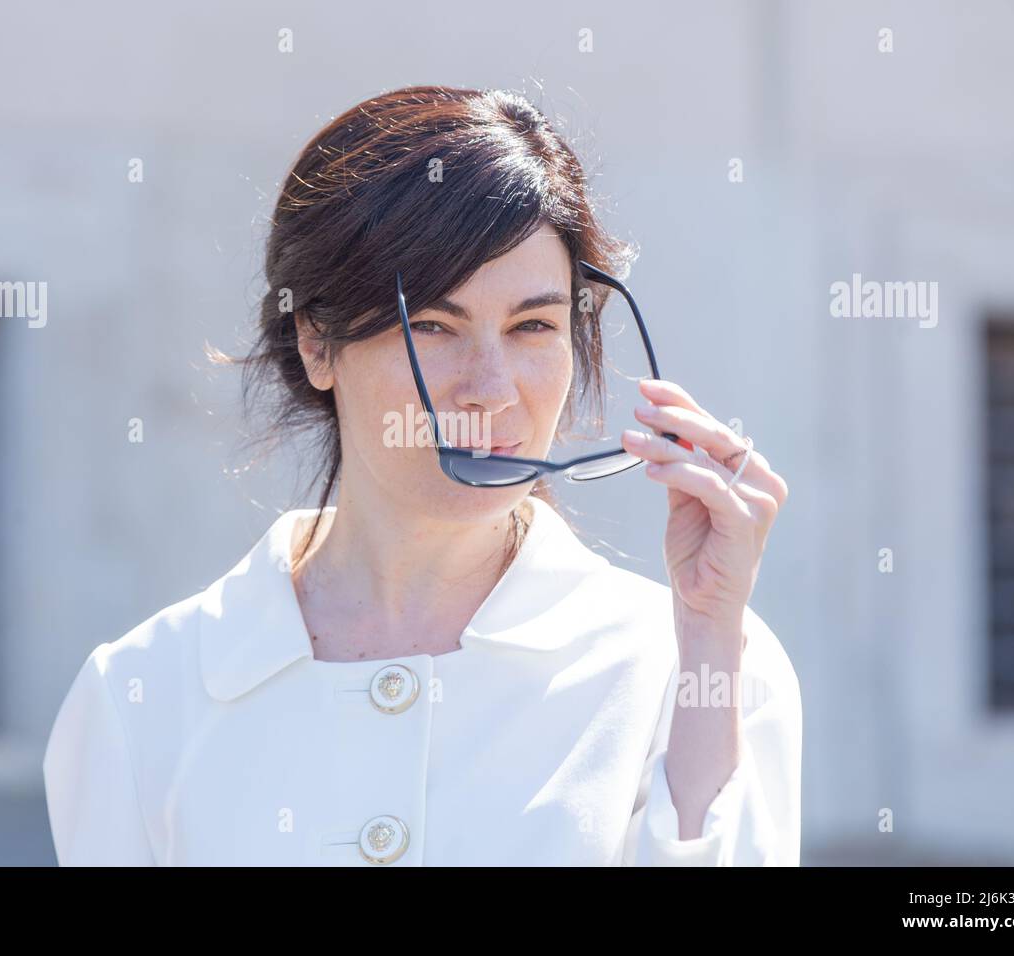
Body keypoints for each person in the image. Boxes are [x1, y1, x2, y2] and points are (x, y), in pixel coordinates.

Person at [42, 85, 800, 866]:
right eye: (435, 325)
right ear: (317, 344)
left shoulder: (695, 667)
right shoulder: (143, 694)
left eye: (532, 326)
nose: (492, 387)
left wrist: (710, 637)